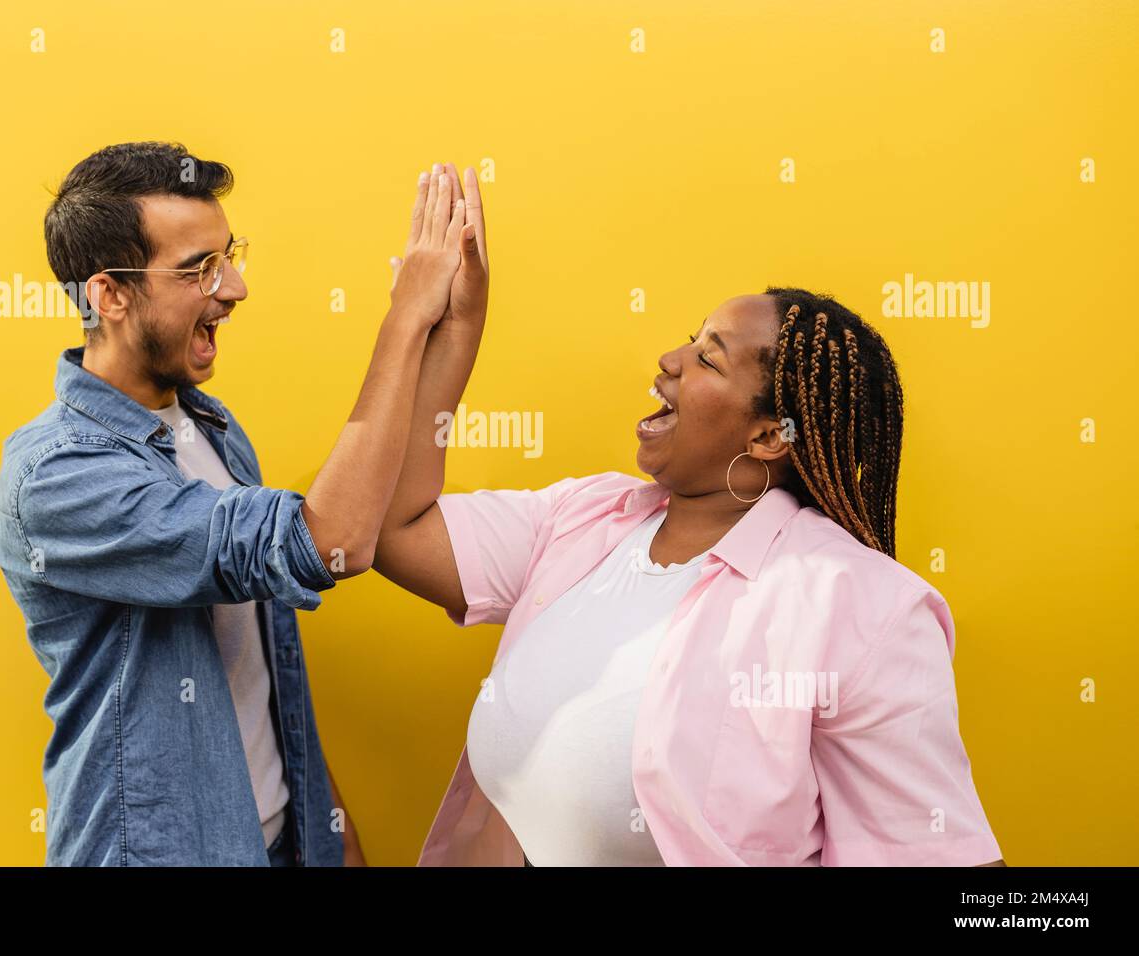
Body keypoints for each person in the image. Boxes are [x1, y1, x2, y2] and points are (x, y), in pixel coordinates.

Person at [373, 219, 1005, 865]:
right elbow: (392, 528)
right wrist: (449, 336)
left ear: (766, 437)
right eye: (690, 338)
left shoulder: (859, 607)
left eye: (708, 358)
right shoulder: (585, 516)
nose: (669, 360)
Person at [0, 143, 483, 866]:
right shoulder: (58, 474)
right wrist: (404, 320)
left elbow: (263, 670)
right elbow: (330, 541)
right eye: (199, 269)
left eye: (228, 256)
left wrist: (457, 328)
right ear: (109, 295)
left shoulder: (210, 428)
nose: (235, 287)